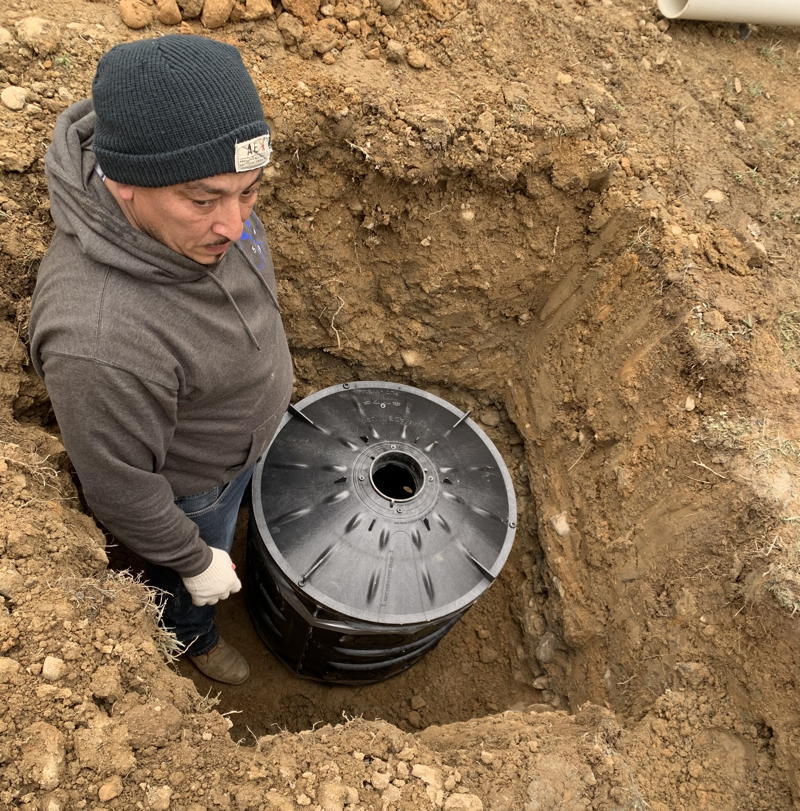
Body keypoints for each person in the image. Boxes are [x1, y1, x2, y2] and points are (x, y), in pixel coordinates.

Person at [28, 34, 294, 685]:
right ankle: (190, 637)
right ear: (124, 186)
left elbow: (230, 221)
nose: (233, 225)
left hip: (237, 441)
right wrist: (195, 556)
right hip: (189, 489)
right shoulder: (102, 341)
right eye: (204, 200)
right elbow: (120, 488)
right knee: (179, 583)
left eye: (249, 192)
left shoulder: (211, 208)